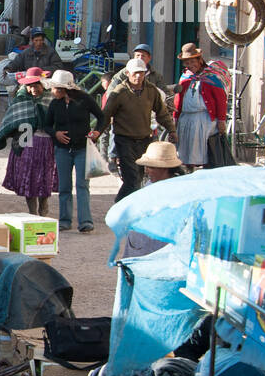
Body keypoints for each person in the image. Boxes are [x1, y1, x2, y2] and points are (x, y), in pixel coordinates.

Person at [102, 57, 177, 202]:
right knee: (132, 178)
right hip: (124, 140)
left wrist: (171, 130)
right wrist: (97, 133)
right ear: (128, 74)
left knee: (140, 176)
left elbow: (162, 113)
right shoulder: (119, 92)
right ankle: (120, 204)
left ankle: (129, 205)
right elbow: (106, 115)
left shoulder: (151, 90)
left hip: (144, 140)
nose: (138, 76)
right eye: (135, 73)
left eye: (141, 73)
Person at [45, 69, 105, 233]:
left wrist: (97, 132)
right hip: (62, 150)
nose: (52, 91)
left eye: (55, 88)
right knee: (64, 186)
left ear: (64, 89)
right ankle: (65, 220)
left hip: (82, 148)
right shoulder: (55, 103)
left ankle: (85, 222)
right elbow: (47, 125)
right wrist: (55, 134)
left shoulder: (85, 100)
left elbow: (102, 117)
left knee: (82, 185)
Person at [0, 67, 57, 216]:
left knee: (45, 176)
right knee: (28, 176)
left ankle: (43, 205)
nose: (33, 88)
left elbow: (58, 122)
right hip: (26, 142)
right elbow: (12, 119)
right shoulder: (20, 100)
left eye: (36, 84)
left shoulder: (51, 99)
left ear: (43, 84)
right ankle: (32, 212)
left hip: (47, 143)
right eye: (30, 85)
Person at [173, 43, 228, 170]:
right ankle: (189, 172)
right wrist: (175, 118)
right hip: (186, 118)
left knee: (204, 150)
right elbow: (178, 99)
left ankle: (205, 173)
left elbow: (220, 100)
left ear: (200, 60)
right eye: (187, 63)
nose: (191, 65)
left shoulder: (212, 77)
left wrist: (221, 120)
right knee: (186, 150)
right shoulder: (185, 77)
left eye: (193, 61)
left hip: (204, 119)